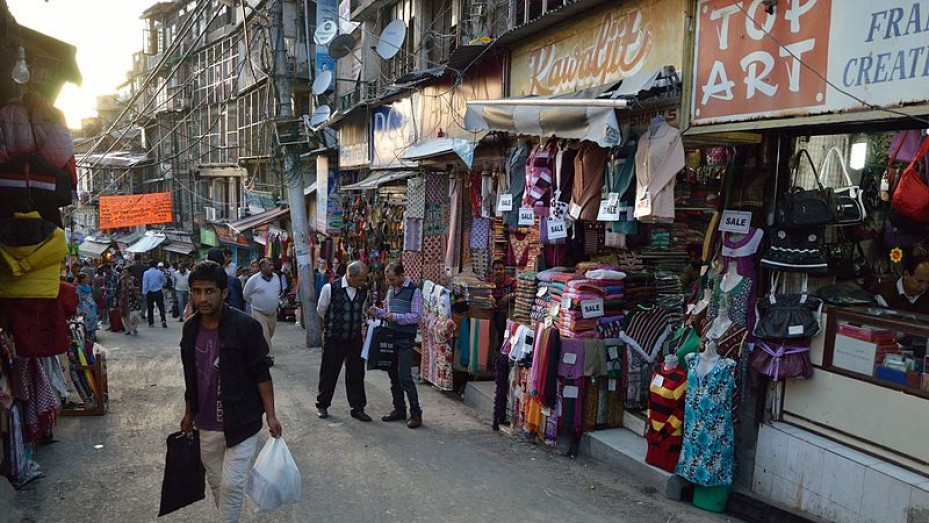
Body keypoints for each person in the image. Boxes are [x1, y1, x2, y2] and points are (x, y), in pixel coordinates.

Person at [179, 260, 281, 522]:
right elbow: (191, 377)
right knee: (217, 484)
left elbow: (261, 374)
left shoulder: (246, 327)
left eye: (210, 291)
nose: (203, 298)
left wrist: (270, 415)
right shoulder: (190, 329)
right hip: (206, 423)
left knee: (231, 485)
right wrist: (189, 414)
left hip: (242, 420)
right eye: (197, 291)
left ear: (224, 293)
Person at [368, 263, 423, 429]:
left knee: (404, 376)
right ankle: (399, 409)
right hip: (391, 337)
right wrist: (377, 312)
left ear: (401, 275)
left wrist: (395, 317)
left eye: (392, 279)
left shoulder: (414, 290)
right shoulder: (391, 291)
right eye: (388, 280)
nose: (390, 282)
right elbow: (387, 312)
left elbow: (416, 316)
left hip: (406, 339)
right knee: (393, 376)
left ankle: (416, 413)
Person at [315, 261, 371, 421]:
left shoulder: (363, 291)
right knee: (329, 373)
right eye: (360, 279)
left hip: (354, 338)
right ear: (350, 276)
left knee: (356, 373)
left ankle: (358, 407)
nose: (362, 282)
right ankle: (322, 405)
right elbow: (321, 310)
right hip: (334, 338)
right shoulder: (330, 288)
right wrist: (334, 324)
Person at [243, 258, 283, 362]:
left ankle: (258, 347)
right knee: (264, 333)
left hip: (272, 313)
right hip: (258, 312)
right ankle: (269, 356)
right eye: (269, 265)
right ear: (262, 267)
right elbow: (246, 295)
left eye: (272, 265)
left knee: (270, 332)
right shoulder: (253, 280)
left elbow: (277, 292)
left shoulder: (276, 277)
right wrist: (256, 302)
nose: (272, 267)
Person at [487, 259, 516, 347]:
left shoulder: (510, 281)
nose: (498, 271)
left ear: (504, 270)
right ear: (492, 270)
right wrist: (489, 295)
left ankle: (501, 346)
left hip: (504, 309)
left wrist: (508, 296)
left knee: (501, 323)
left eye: (501, 269)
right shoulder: (488, 281)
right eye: (496, 269)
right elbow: (481, 291)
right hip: (490, 309)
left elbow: (518, 292)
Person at [142, 259, 168, 328]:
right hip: (158, 291)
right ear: (156, 265)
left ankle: (151, 322)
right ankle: (163, 320)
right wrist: (161, 284)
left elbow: (145, 284)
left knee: (150, 307)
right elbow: (165, 281)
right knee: (161, 307)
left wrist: (144, 293)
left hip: (150, 292)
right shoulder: (160, 272)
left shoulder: (146, 273)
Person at [117, 267, 141, 335]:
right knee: (124, 315)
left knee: (135, 315)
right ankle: (128, 329)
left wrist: (135, 289)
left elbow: (138, 288)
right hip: (123, 299)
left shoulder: (133, 279)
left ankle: (134, 328)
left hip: (133, 299)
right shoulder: (121, 280)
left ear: (130, 273)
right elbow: (118, 289)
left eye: (126, 272)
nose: (124, 273)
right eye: (123, 272)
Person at [76, 273, 99, 341]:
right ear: (82, 279)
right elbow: (79, 298)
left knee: (94, 319)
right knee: (87, 320)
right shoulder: (78, 287)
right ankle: (87, 336)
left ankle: (93, 335)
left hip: (91, 305)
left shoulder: (88, 286)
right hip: (84, 306)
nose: (88, 279)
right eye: (86, 278)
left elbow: (91, 295)